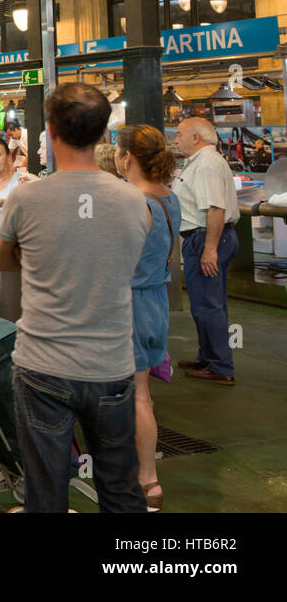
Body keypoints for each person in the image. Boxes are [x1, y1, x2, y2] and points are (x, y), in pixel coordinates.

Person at [0, 83, 150, 513]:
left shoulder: (26, 197)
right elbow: (126, 262)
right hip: (111, 364)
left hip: (43, 366)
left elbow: (2, 260)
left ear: (50, 131)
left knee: (46, 493)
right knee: (120, 487)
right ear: (103, 133)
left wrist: (41, 255)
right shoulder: (134, 200)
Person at [114, 124, 180, 511]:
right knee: (142, 395)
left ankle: (145, 481)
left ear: (126, 158)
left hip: (129, 305)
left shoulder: (133, 201)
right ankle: (143, 476)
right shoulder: (169, 197)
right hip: (156, 301)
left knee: (130, 397)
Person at [172, 117, 240, 386]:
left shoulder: (207, 165)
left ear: (196, 138)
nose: (175, 139)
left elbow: (215, 209)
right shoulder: (201, 163)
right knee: (208, 303)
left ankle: (221, 366)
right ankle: (208, 356)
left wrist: (209, 249)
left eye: (179, 134)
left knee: (207, 306)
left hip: (206, 238)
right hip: (203, 238)